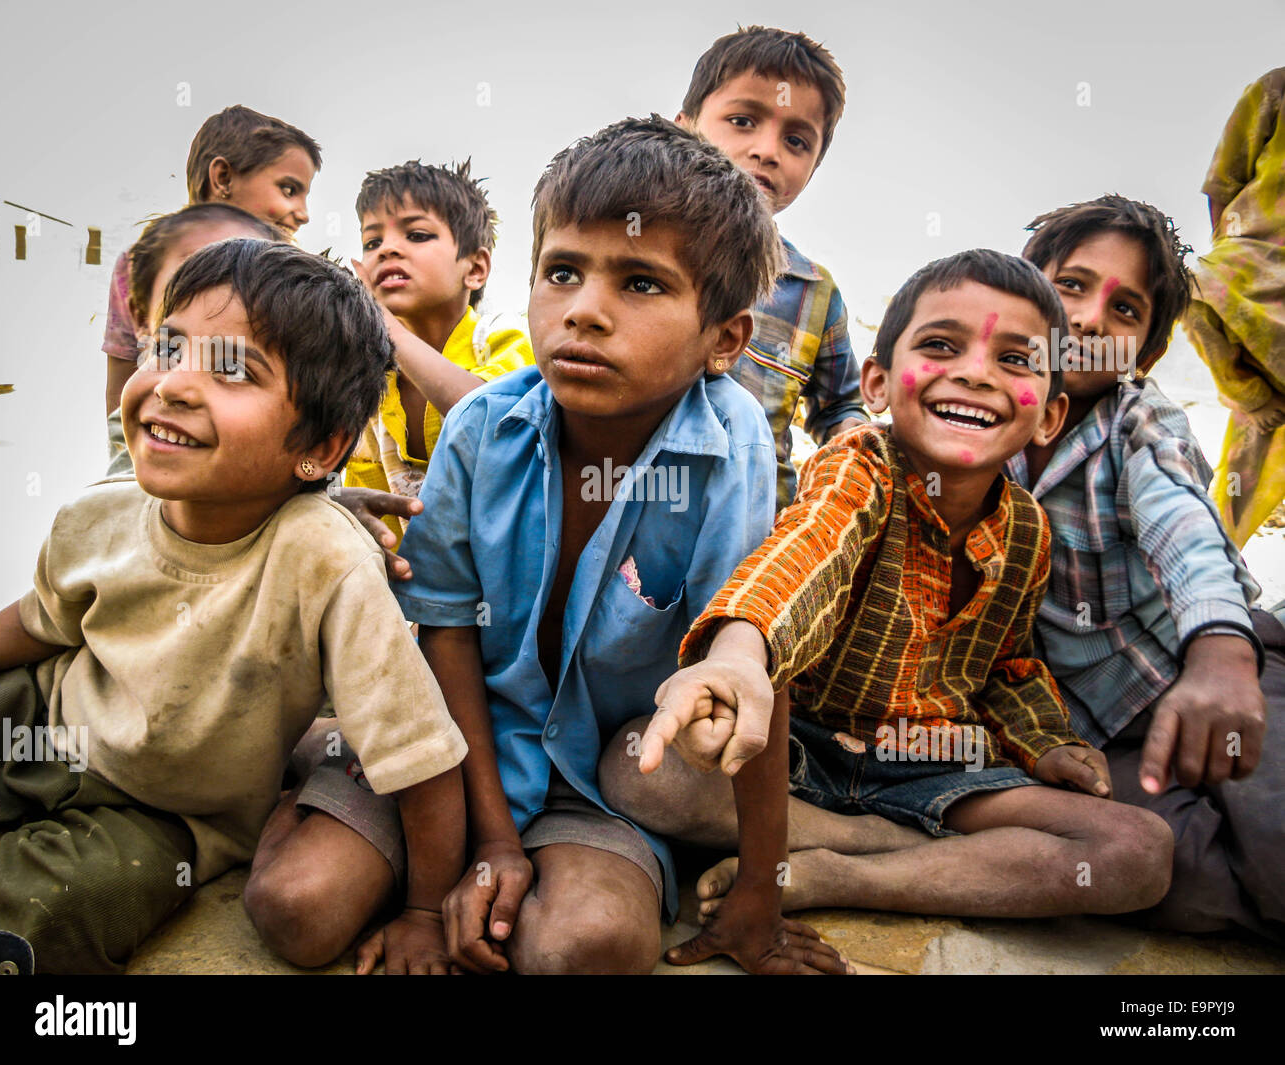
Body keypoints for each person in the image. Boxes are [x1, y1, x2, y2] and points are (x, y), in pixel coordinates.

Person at [386, 115, 846, 974]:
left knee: (588, 947)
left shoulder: (732, 442)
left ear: (725, 340)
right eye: (562, 272)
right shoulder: (484, 428)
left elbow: (748, 653)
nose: (584, 313)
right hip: (457, 748)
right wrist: (487, 842)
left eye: (640, 284)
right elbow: (444, 630)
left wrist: (759, 890)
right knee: (298, 903)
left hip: (603, 781)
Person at [606, 250, 1175, 924]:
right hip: (801, 752)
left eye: (1015, 360)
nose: (973, 372)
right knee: (636, 766)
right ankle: (897, 848)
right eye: (941, 345)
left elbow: (1009, 665)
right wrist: (738, 654)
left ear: (1049, 415)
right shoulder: (858, 467)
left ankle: (831, 875)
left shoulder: (1029, 531)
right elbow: (805, 557)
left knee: (1137, 849)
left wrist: (1047, 742)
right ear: (876, 381)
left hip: (935, 762)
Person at [0, 239, 465, 974]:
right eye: (169, 347)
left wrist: (427, 912)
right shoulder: (100, 512)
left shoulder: (326, 560)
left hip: (168, 815)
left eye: (233, 369)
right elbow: (35, 624)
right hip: (44, 716)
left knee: (46, 911)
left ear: (322, 447)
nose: (174, 385)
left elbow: (419, 758)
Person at [1016, 194, 1284, 940]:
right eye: (1070, 284)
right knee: (1171, 879)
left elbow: (1184, 527)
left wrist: (1224, 655)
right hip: (1107, 728)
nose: (1090, 319)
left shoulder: (1138, 421)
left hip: (1227, 675)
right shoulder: (973, 419)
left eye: (1124, 308)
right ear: (1019, 286)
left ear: (1146, 353)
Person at [676, 25, 867, 509]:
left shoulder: (814, 291)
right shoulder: (629, 249)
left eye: (798, 141)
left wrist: (856, 445)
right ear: (684, 126)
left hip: (756, 531)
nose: (768, 150)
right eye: (742, 120)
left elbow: (841, 405)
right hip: (627, 505)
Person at [102, 106, 320, 459]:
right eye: (288, 189)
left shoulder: (291, 281)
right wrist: (128, 454)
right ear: (222, 178)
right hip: (159, 434)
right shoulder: (141, 263)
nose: (304, 213)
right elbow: (122, 377)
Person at [345, 159, 533, 539]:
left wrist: (388, 328)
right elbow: (374, 506)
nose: (387, 250)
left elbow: (489, 418)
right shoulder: (369, 382)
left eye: (416, 235)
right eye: (372, 241)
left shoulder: (499, 337)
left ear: (475, 269)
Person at [104, 202, 286, 476]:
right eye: (170, 351)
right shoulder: (143, 422)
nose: (220, 292)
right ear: (140, 319)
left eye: (231, 369)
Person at [1182, 68, 1285, 546]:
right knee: (1195, 290)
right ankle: (1212, 576)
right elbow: (1224, 181)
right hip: (1260, 257)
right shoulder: (1276, 88)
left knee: (1257, 456)